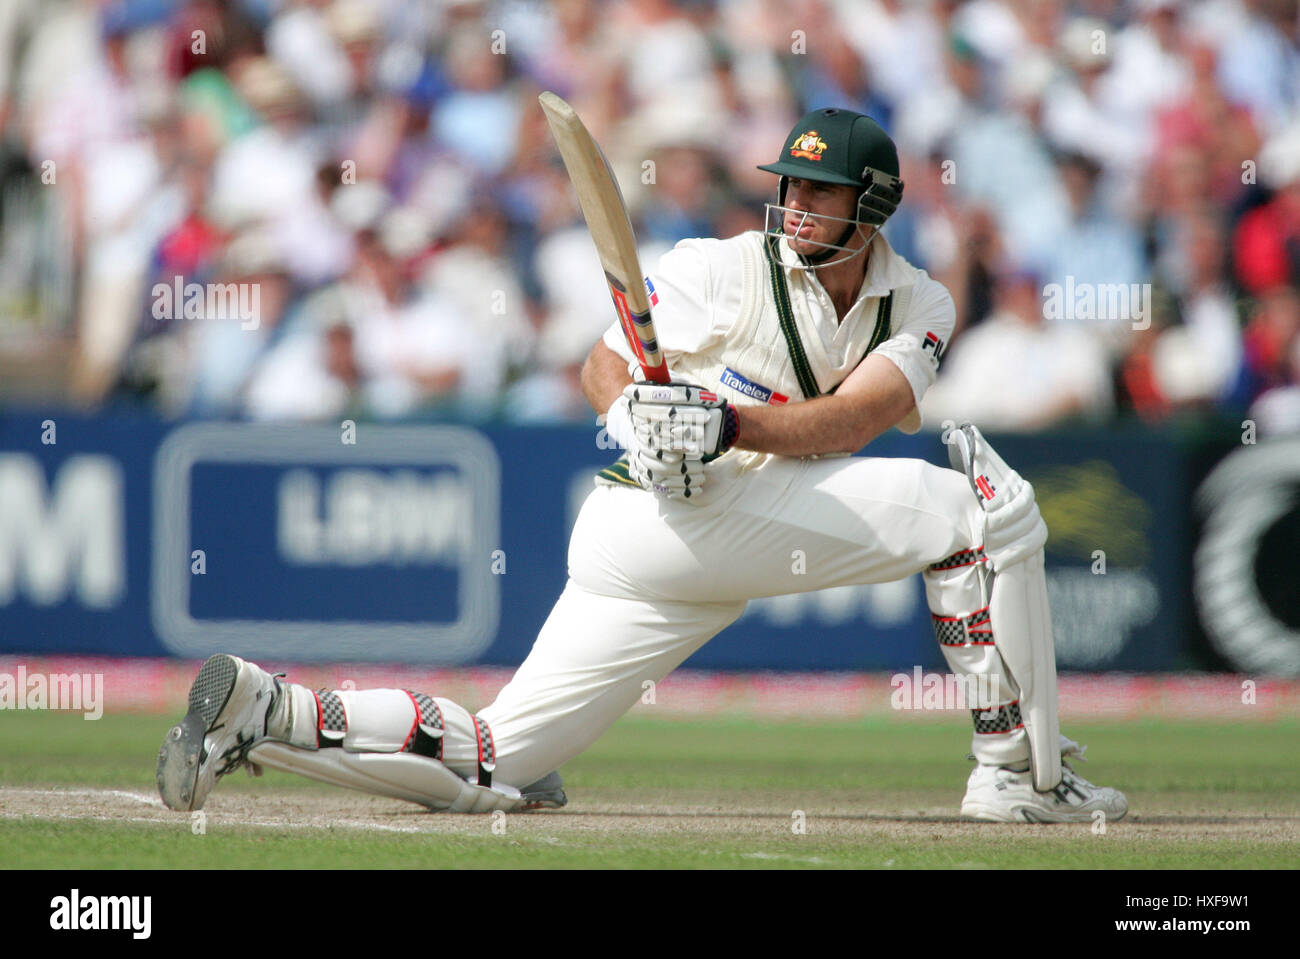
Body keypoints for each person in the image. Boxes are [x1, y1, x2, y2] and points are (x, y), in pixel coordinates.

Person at [157, 108, 1128, 823]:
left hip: (702, 532)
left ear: (869, 205)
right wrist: (635, 411)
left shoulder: (916, 304)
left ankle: (268, 707)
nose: (794, 206)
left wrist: (723, 424)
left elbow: (853, 420)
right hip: (654, 518)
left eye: (818, 191)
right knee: (979, 507)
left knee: (498, 764)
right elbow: (602, 357)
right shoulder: (722, 265)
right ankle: (1017, 769)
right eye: (787, 186)